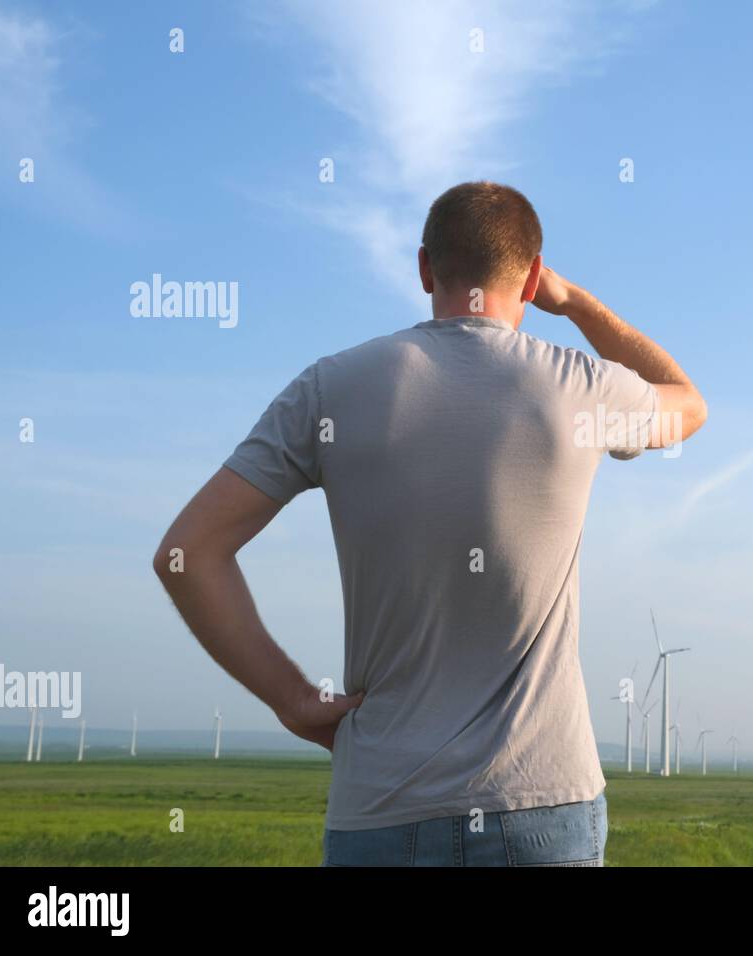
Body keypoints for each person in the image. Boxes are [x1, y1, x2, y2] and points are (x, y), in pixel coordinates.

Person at [152, 181, 707, 866]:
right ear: (532, 278)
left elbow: (186, 553)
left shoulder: (330, 388)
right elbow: (690, 405)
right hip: (541, 804)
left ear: (423, 269)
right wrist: (577, 304)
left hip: (380, 808)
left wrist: (292, 700)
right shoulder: (581, 386)